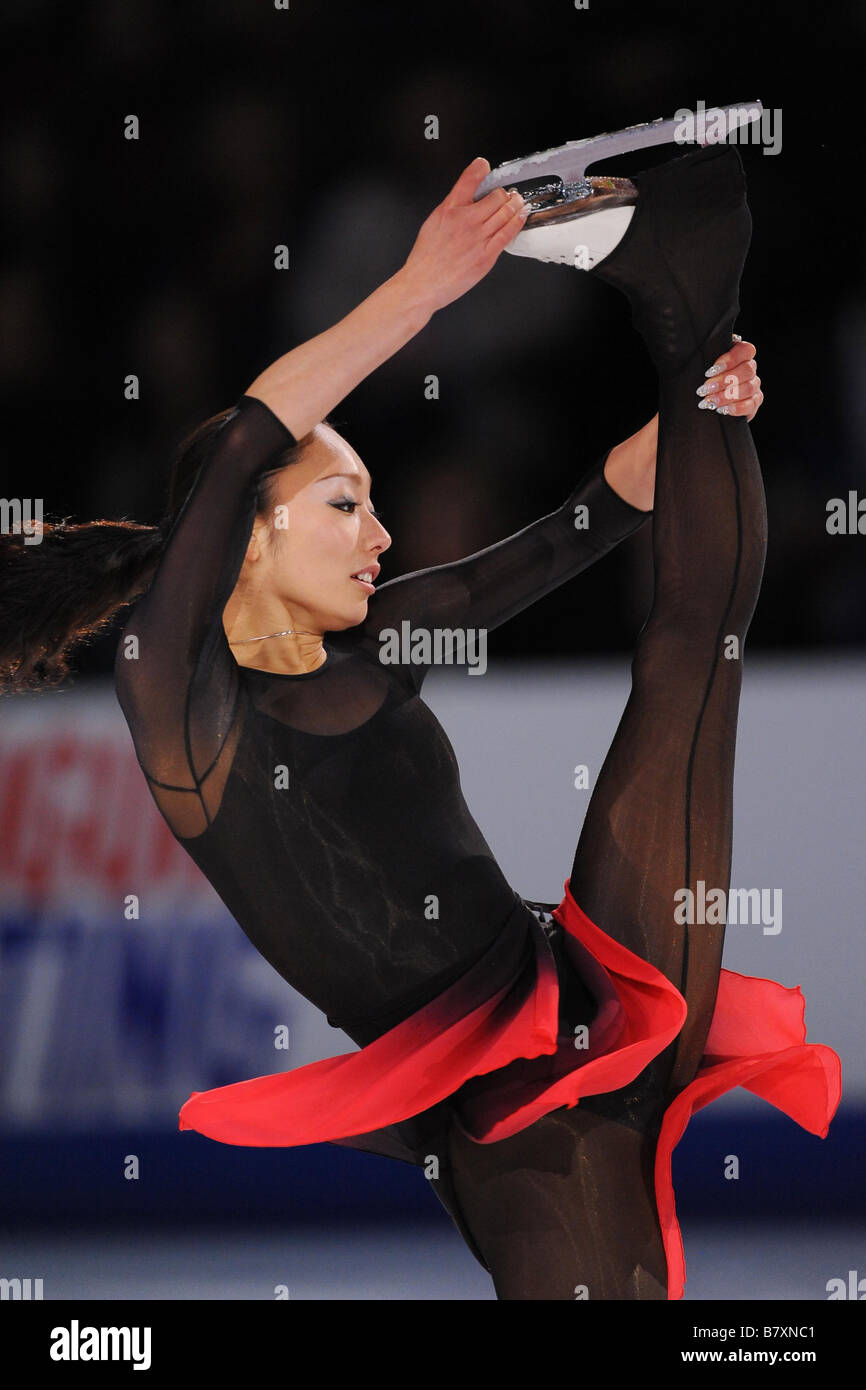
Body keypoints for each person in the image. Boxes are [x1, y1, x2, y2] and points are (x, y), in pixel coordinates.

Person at [0, 145, 840, 1300]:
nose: (380, 536)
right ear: (245, 535)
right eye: (344, 505)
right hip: (488, 1101)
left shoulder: (383, 643)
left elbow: (576, 529)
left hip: (587, 985)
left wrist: (699, 409)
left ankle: (686, 290)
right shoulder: (179, 707)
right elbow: (243, 439)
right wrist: (419, 288)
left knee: (693, 650)